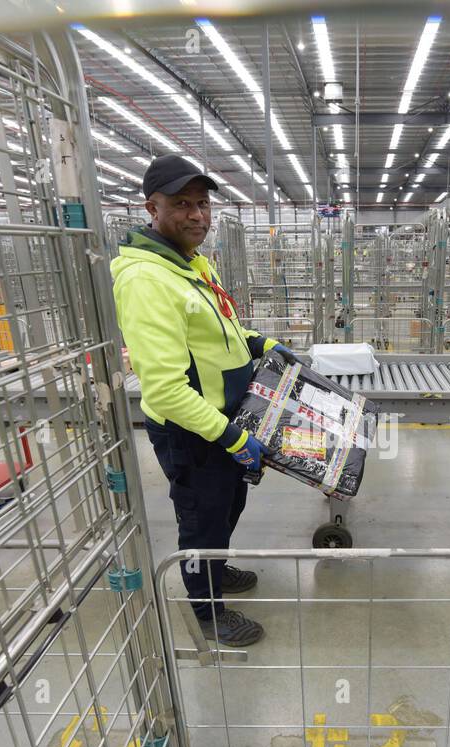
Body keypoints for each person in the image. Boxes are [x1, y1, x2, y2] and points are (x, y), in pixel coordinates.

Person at [112, 155, 295, 647]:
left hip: (223, 421)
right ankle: (206, 610)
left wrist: (258, 343)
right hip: (194, 431)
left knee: (226, 506)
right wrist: (229, 435)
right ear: (152, 207)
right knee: (200, 518)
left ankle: (214, 567)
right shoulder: (146, 280)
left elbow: (219, 331)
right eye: (182, 205)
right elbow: (166, 389)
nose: (197, 215)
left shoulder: (190, 263)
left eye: (202, 203)